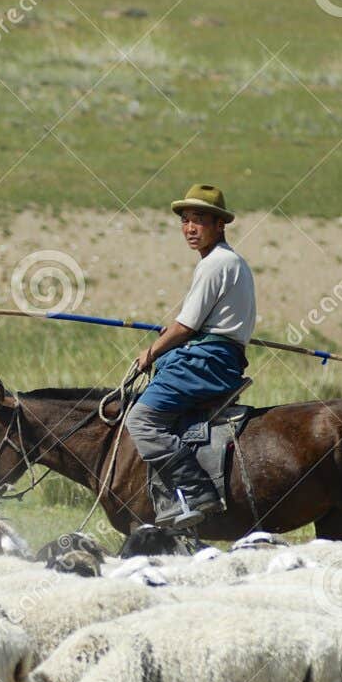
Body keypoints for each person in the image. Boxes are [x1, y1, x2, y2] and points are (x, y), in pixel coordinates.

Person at [124, 184, 256, 531]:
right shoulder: (230, 262)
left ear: (219, 225)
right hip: (215, 353)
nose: (190, 228)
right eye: (185, 221)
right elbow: (193, 325)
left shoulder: (215, 264)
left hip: (208, 361)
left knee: (140, 421)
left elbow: (185, 326)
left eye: (199, 220)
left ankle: (196, 492)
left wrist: (150, 352)